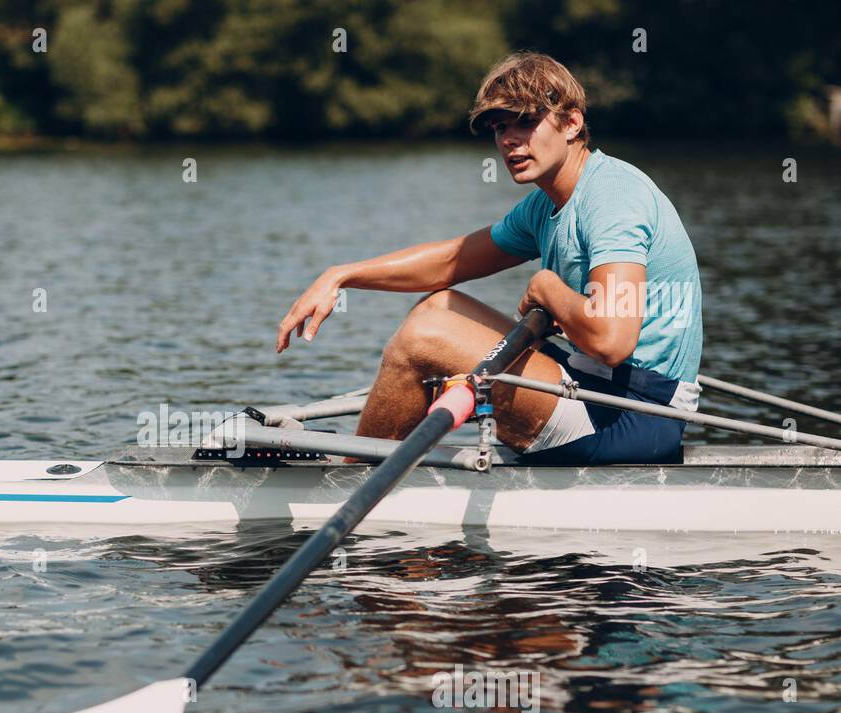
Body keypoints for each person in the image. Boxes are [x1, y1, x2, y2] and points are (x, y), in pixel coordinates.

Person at [276, 52, 702, 465]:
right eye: (500, 128)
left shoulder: (612, 198)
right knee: (439, 306)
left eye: (526, 122)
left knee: (425, 335)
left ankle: (353, 475)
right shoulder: (545, 206)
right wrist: (342, 275)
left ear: (572, 123)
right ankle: (370, 460)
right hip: (593, 386)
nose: (509, 140)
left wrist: (547, 289)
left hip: (639, 414)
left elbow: (612, 340)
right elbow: (449, 262)